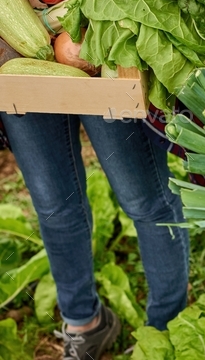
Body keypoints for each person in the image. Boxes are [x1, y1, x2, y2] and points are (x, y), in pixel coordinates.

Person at [0, 110, 190, 359]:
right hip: (14, 74)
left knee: (145, 200)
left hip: (105, 73)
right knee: (54, 208)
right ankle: (84, 324)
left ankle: (164, 331)